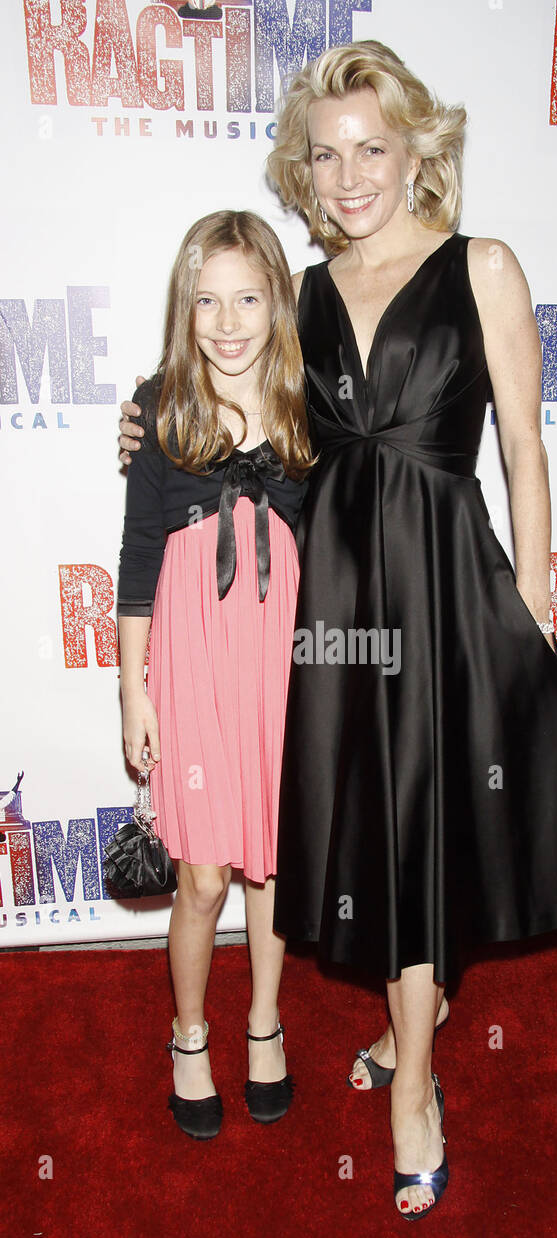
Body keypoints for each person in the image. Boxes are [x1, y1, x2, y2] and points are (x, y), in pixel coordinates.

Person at [119, 40, 557, 1219]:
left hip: (445, 590)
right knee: (370, 836)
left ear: (416, 151)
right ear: (302, 167)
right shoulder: (304, 299)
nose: (348, 176)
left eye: (371, 148)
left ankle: (414, 1087)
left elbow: (524, 444)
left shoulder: (481, 265)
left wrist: (527, 604)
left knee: (432, 824)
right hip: (327, 608)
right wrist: (144, 431)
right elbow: (229, 408)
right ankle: (407, 1018)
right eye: (324, 155)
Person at [117, 210, 312, 1139]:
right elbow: (136, 559)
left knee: (270, 867)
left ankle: (264, 1024)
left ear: (278, 300)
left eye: (247, 297)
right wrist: (132, 689)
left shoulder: (314, 407)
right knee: (201, 879)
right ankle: (188, 1034)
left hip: (281, 662)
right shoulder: (162, 410)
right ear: (183, 310)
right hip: (192, 663)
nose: (229, 322)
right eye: (207, 301)